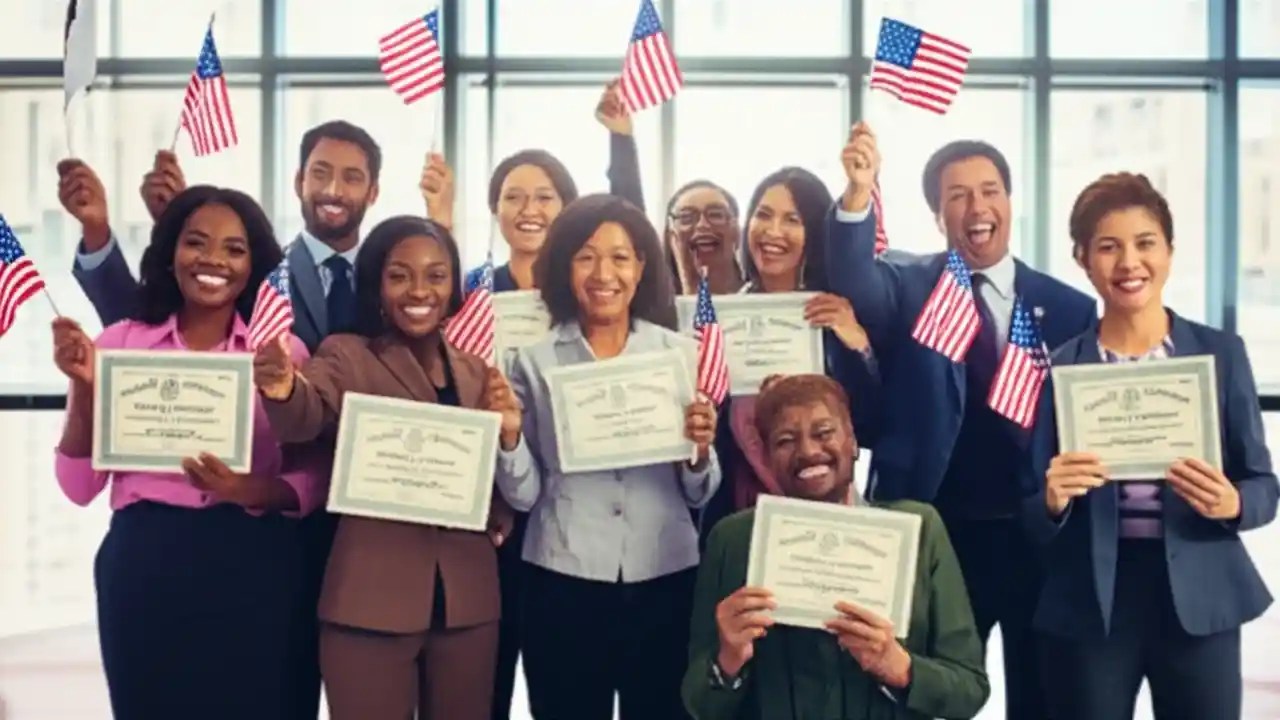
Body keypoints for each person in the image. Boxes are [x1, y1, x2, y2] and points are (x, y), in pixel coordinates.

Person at [825, 122, 1097, 718]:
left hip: (1035, 534)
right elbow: (852, 279)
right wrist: (857, 193)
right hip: (937, 531)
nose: (977, 206)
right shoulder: (907, 286)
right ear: (936, 212)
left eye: (990, 190)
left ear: (1008, 200)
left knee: (1042, 694)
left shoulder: (1070, 307)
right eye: (958, 195)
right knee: (927, 692)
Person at [50, 186, 325, 719]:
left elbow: (314, 478)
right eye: (196, 243)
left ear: (255, 265)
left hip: (255, 560)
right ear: (170, 253)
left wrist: (242, 488)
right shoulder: (119, 345)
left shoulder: (281, 354)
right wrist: (85, 386)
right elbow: (78, 487)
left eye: (234, 249)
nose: (214, 260)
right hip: (146, 563)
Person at [1021, 172, 1278, 719]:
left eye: (1145, 244)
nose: (1128, 263)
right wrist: (1053, 500)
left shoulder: (1220, 353)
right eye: (1108, 247)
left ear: (1169, 251)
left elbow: (1264, 485)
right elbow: (1030, 509)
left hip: (1201, 591)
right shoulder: (1061, 368)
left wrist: (1232, 503)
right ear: (1083, 259)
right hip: (1093, 600)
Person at [254, 215, 516, 719]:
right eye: (400, 275)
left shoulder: (476, 369)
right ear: (376, 281)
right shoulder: (347, 355)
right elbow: (308, 414)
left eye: (436, 275)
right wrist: (284, 390)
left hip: (467, 600)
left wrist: (501, 505)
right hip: (370, 603)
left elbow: (491, 474)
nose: (420, 290)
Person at [493, 194, 721, 720]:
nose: (604, 273)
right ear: (566, 267)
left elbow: (698, 492)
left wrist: (699, 450)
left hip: (665, 573)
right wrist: (509, 437)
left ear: (641, 267)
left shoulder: (680, 355)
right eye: (586, 256)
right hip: (563, 575)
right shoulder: (531, 362)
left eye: (620, 257)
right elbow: (525, 493)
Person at [683, 374, 989, 720]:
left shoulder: (919, 530)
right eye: (785, 440)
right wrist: (728, 659)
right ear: (766, 457)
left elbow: (970, 690)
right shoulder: (732, 541)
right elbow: (698, 704)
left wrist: (901, 668)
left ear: (853, 442)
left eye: (824, 433)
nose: (809, 450)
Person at [698, 167, 879, 544]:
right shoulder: (719, 318)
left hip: (827, 519)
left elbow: (869, 424)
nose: (772, 231)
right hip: (736, 516)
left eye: (791, 220)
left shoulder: (832, 315)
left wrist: (859, 345)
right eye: (763, 215)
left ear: (814, 233)